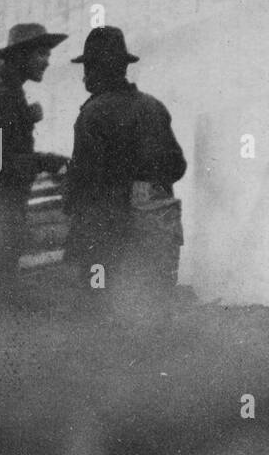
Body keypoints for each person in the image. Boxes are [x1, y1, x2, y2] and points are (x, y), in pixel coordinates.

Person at [63, 27, 187, 316]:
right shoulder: (153, 108)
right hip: (154, 227)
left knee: (98, 302)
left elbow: (83, 183)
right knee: (150, 306)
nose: (85, 75)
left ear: (99, 69)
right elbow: (176, 166)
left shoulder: (92, 114)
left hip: (106, 232)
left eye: (89, 67)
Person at [0, 23, 69, 293]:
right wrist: (46, 161)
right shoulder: (2, 99)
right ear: (20, 56)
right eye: (41, 54)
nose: (47, 61)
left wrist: (24, 117)